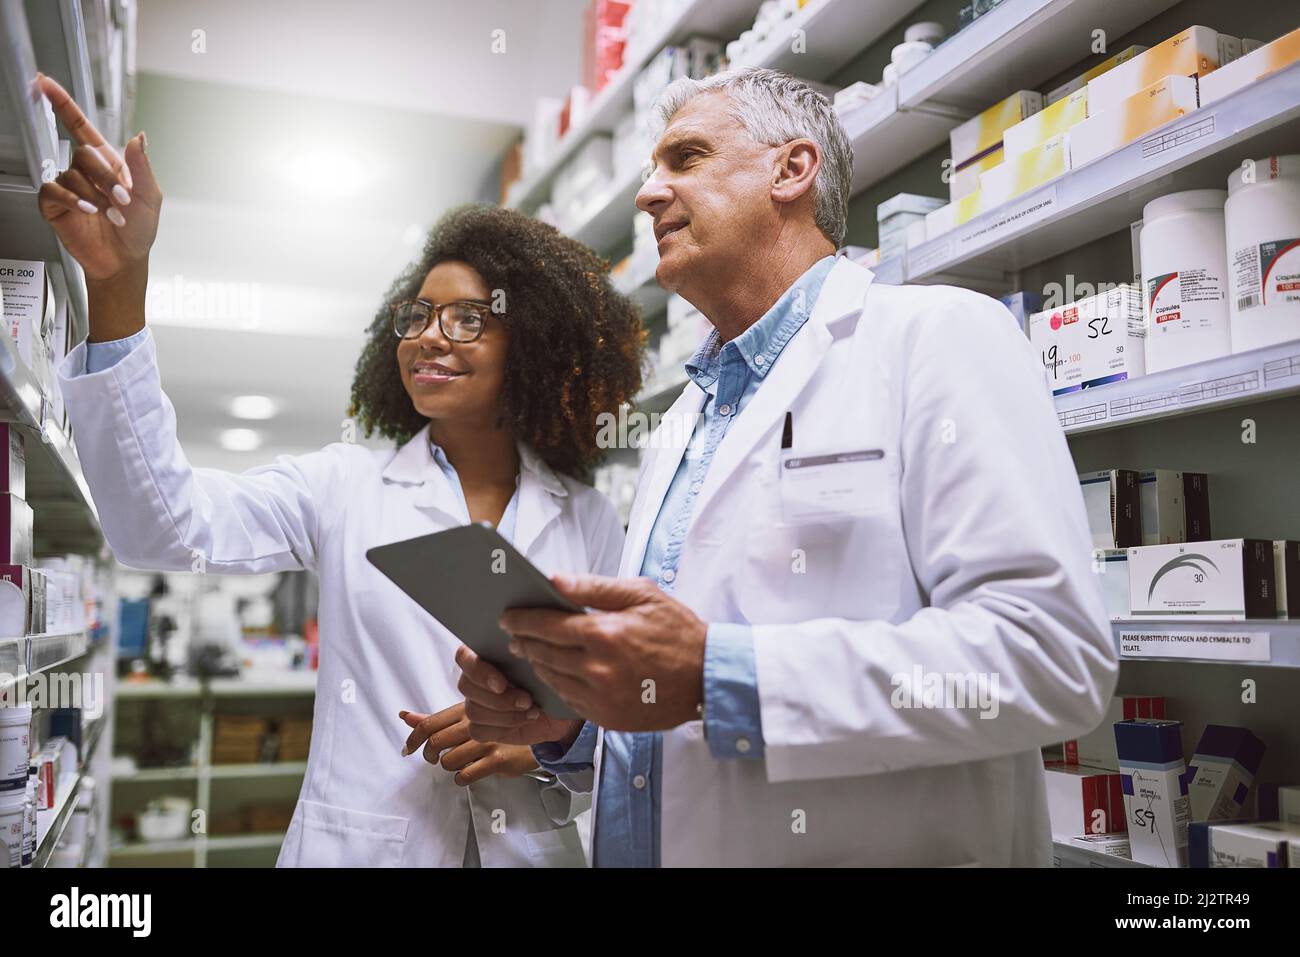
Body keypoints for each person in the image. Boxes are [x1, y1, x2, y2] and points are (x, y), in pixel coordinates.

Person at [455, 67, 1119, 867]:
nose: (647, 194)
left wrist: (714, 675)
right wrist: (571, 723)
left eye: (685, 157)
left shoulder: (938, 338)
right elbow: (674, 716)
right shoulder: (681, 425)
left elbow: (1050, 660)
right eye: (648, 170)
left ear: (791, 170)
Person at [35, 74, 644, 867]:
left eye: (468, 318)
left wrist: (541, 743)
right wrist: (118, 283)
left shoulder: (589, 518)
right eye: (416, 315)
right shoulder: (343, 486)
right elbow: (161, 527)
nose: (430, 335)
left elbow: (625, 727)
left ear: (530, 345)